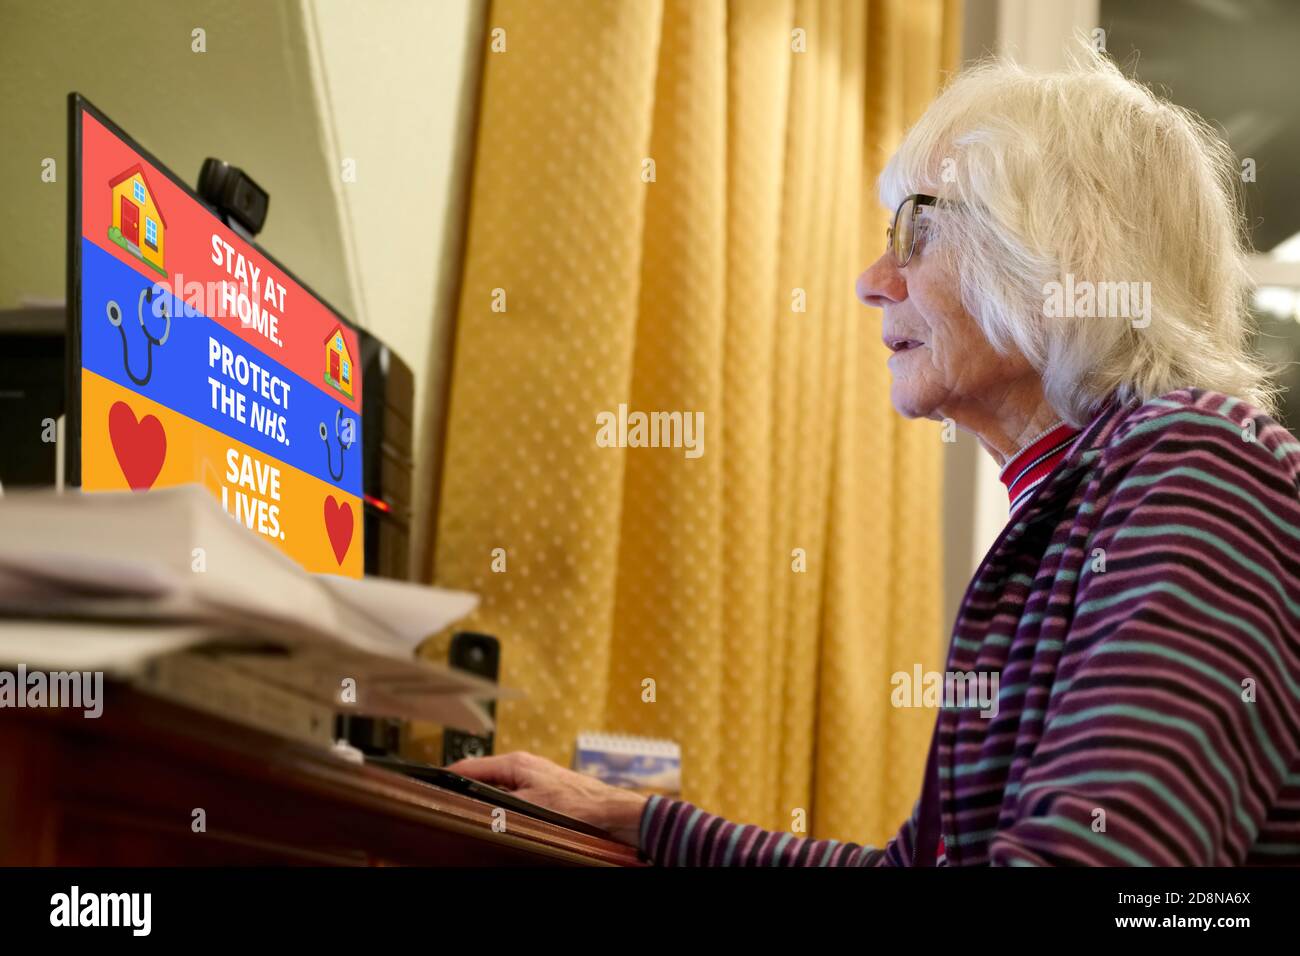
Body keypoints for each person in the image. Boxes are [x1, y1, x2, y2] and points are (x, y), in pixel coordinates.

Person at [451, 49, 1300, 866]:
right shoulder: (1094, 491)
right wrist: (636, 818)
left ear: (1064, 251)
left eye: (917, 231)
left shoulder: (1200, 466)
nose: (871, 279)